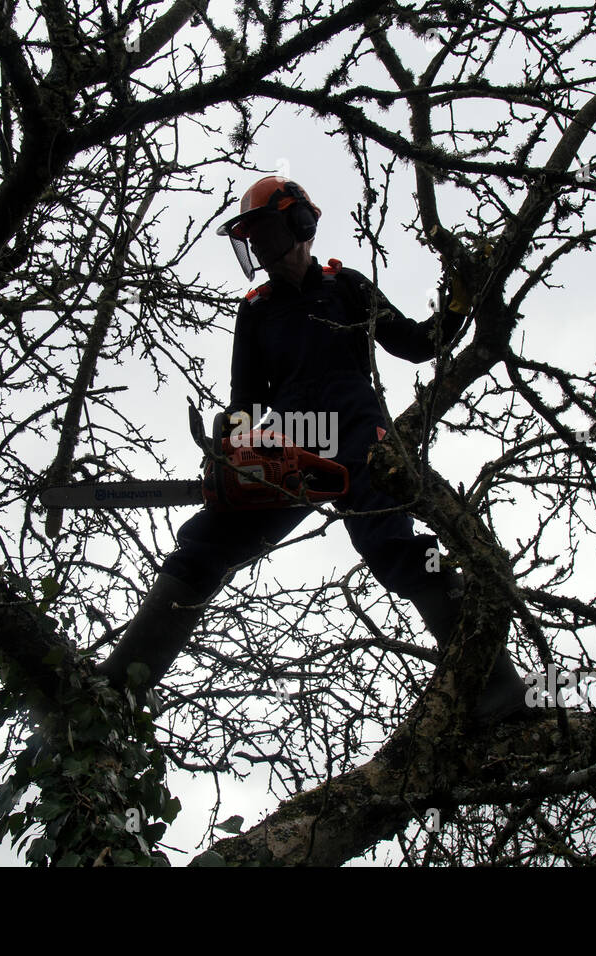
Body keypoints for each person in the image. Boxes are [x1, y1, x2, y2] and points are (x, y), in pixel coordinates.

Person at [96, 175, 534, 724]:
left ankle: (497, 689)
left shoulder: (348, 286)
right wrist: (232, 442)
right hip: (294, 440)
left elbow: (419, 344)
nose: (259, 247)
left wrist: (460, 302)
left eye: (266, 233)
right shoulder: (256, 309)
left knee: (399, 551)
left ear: (299, 225)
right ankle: (117, 689)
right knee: (208, 541)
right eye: (251, 239)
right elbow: (247, 399)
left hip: (363, 436)